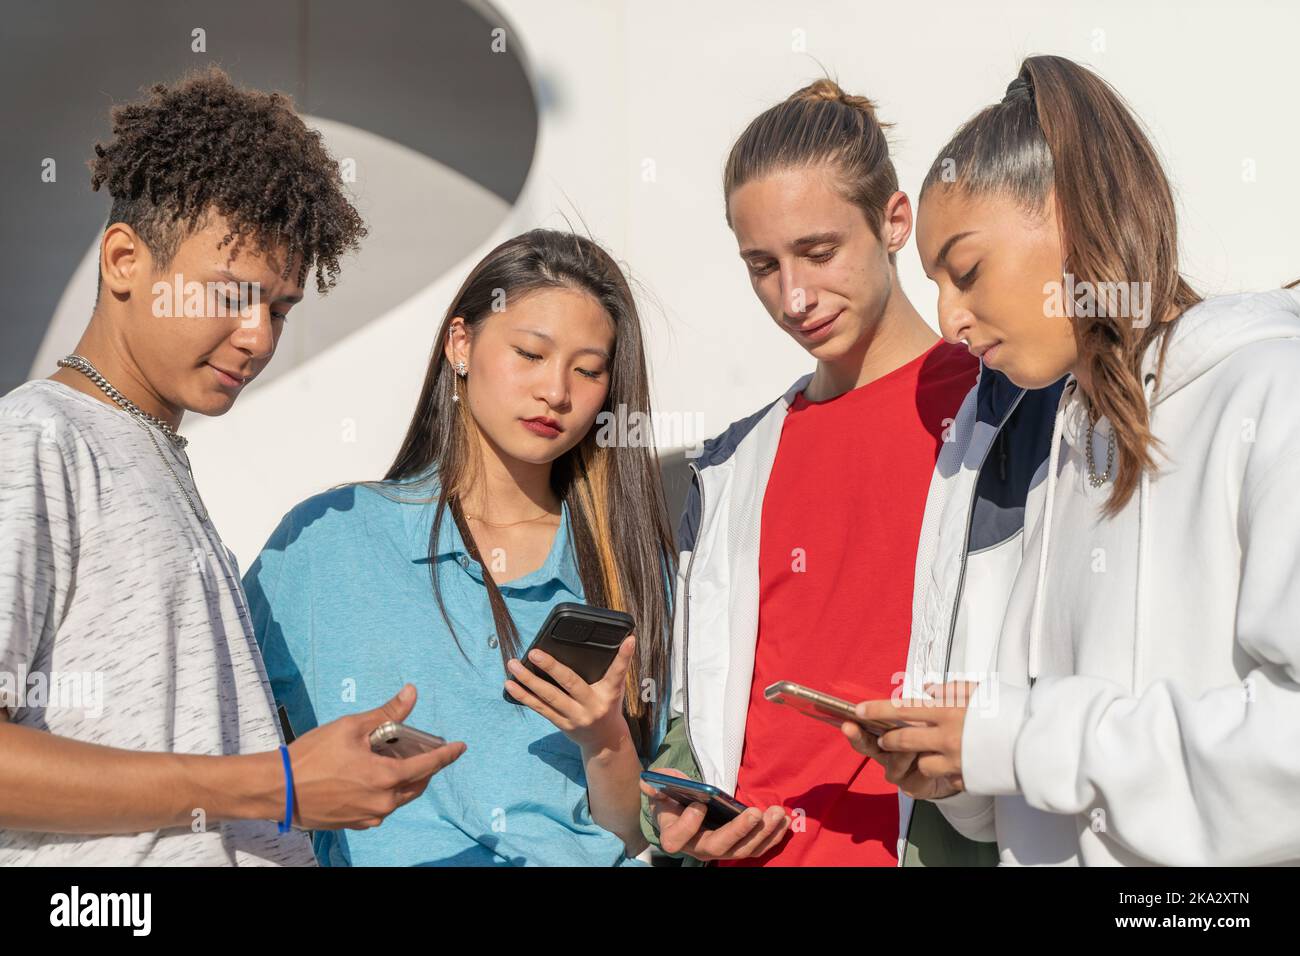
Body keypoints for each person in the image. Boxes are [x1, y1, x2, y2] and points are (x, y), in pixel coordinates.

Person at [0, 67, 463, 866]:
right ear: (123, 260)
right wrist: (276, 783)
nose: (259, 337)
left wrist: (303, 776)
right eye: (231, 296)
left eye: (280, 308)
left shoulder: (148, 449)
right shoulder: (39, 438)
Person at [852, 54, 1300, 866]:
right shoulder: (1061, 441)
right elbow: (1044, 781)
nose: (948, 317)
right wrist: (960, 761)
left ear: (1066, 215)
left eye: (967, 270)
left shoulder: (1271, 390)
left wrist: (1019, 736)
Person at [637, 79, 1064, 867]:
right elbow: (702, 716)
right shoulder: (731, 466)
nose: (794, 295)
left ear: (895, 222)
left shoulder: (1016, 408)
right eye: (762, 265)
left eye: (819, 252)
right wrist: (672, 805)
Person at [244, 228, 677, 866]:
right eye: (531, 353)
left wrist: (605, 738)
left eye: (587, 371)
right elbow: (217, 748)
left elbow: (638, 838)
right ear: (461, 344)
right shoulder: (326, 542)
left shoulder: (628, 567)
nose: (557, 391)